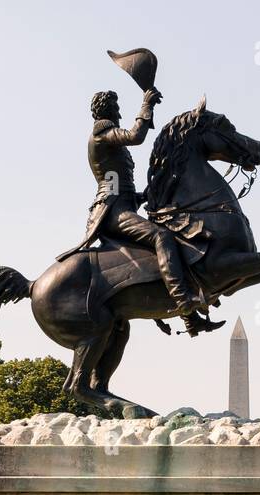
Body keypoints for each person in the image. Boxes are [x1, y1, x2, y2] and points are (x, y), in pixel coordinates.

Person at [56, 81, 216, 335]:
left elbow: (121, 187)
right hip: (112, 213)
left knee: (167, 237)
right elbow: (135, 137)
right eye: (117, 108)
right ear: (109, 111)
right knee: (161, 236)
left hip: (123, 205)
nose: (120, 113)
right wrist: (146, 104)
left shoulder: (107, 141)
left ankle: (190, 317)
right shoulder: (102, 133)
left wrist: (150, 193)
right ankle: (184, 301)